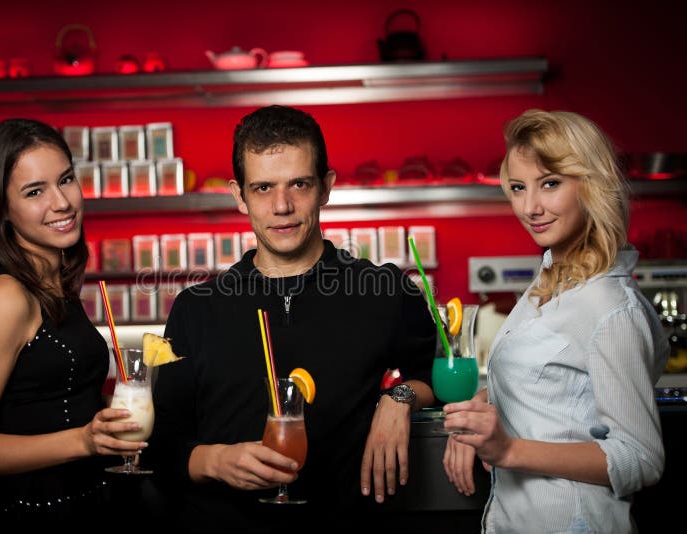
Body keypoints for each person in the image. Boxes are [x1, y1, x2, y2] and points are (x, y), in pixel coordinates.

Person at [147, 105, 436, 530]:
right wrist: (215, 460)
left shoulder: (385, 290)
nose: (282, 206)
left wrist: (400, 399)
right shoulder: (196, 308)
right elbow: (161, 447)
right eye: (263, 187)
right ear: (239, 196)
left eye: (299, 184)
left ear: (326, 187)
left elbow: (436, 379)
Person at [442, 109, 669, 533]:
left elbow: (641, 459)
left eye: (550, 183)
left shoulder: (610, 306)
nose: (530, 207)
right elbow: (556, 386)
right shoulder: (551, 278)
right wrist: (483, 408)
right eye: (517, 188)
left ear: (591, 183)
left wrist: (507, 450)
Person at [0, 118, 147, 519]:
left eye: (65, 180)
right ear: (2, 210)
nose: (62, 202)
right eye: (35, 191)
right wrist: (84, 441)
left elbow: (49, 401)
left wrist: (114, 415)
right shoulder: (5, 296)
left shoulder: (56, 285)